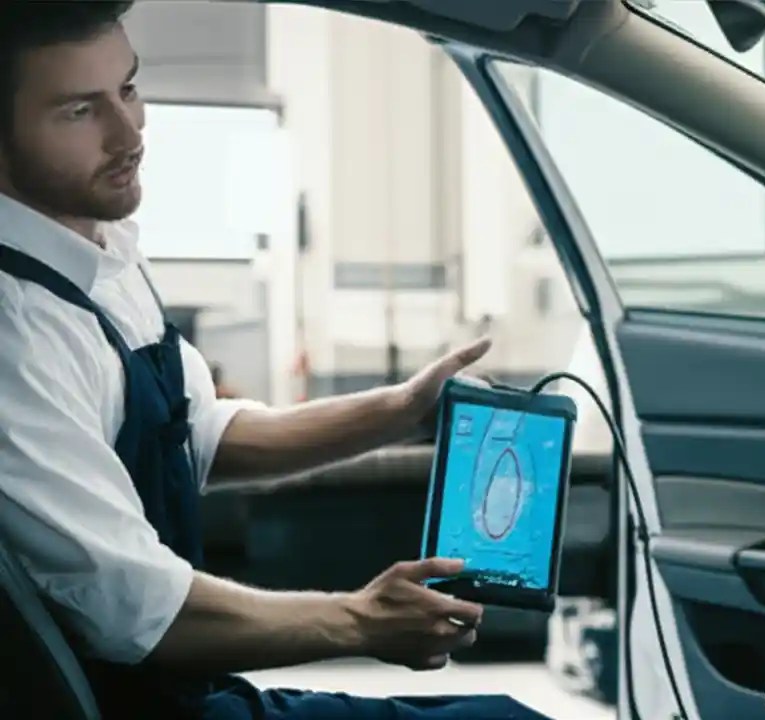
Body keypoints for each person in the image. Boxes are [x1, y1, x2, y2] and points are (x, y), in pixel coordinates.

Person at [0, 3, 551, 719]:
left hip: (186, 691)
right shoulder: (16, 331)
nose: (131, 132)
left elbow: (202, 434)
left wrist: (399, 409)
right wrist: (359, 619)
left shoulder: (102, 254)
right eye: (79, 111)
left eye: (129, 91)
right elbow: (140, 609)